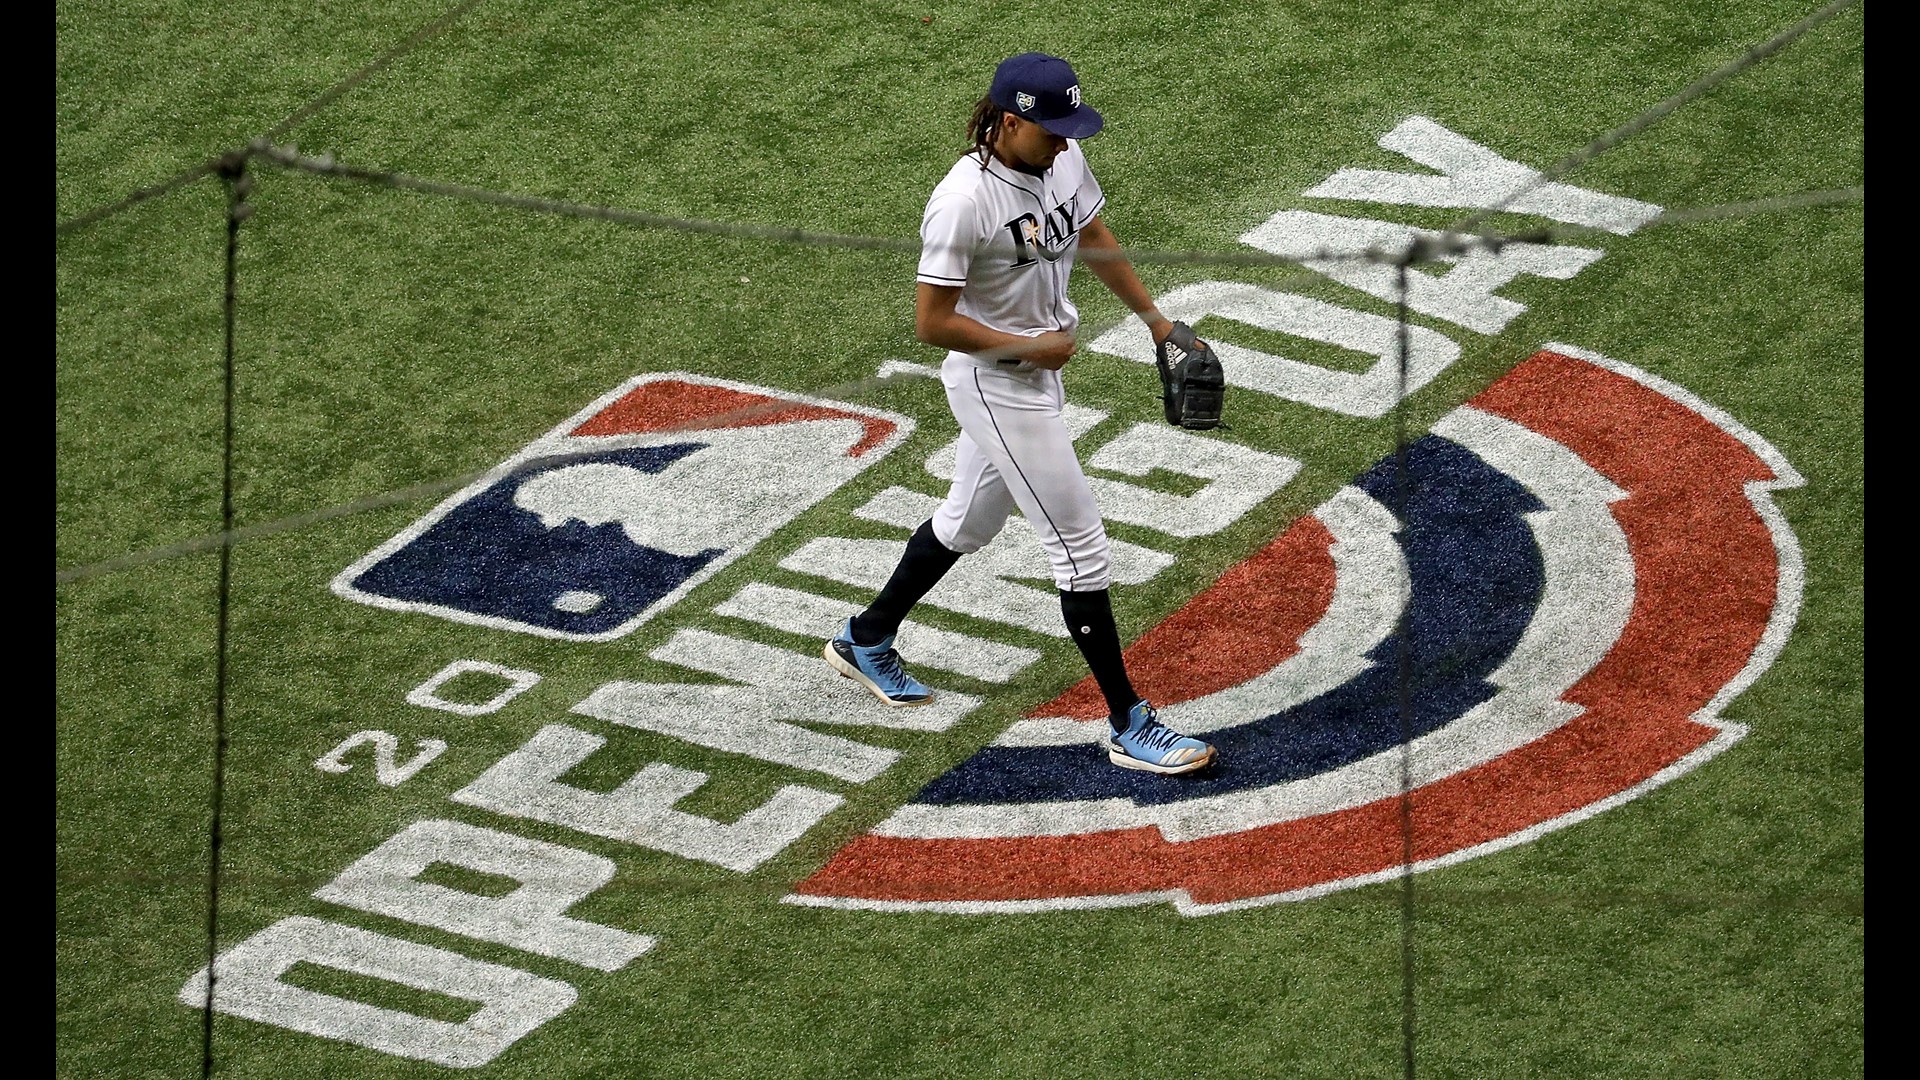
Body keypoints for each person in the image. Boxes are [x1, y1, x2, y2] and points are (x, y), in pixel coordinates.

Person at [821, 52, 1217, 776]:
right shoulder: (962, 202)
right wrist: (1025, 346)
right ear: (1009, 121)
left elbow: (1091, 233)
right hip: (994, 384)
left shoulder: (1062, 162)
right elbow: (931, 322)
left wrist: (1155, 321)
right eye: (1051, 130)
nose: (1065, 143)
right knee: (1080, 546)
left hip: (1035, 374)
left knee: (966, 522)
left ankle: (863, 638)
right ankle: (1130, 724)